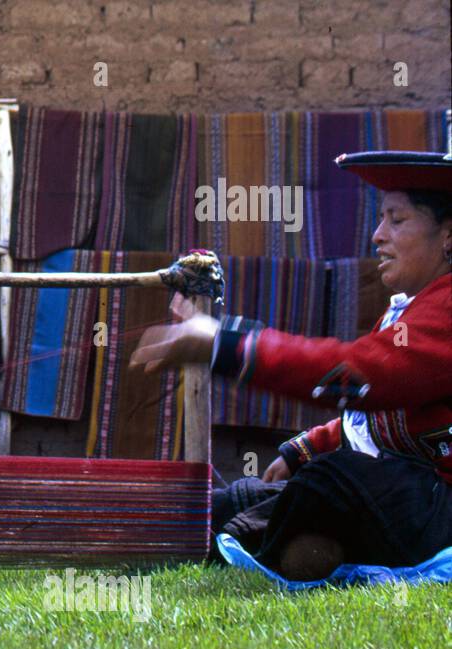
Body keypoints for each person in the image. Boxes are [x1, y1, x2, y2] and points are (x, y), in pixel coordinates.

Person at [131, 149, 452, 580]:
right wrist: (308, 446)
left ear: (448, 236)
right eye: (380, 220)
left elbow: (370, 376)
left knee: (333, 480)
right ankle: (276, 539)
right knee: (239, 496)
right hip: (409, 494)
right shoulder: (413, 310)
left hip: (440, 504)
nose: (377, 236)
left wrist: (230, 347)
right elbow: (382, 414)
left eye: (396, 220)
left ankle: (272, 546)